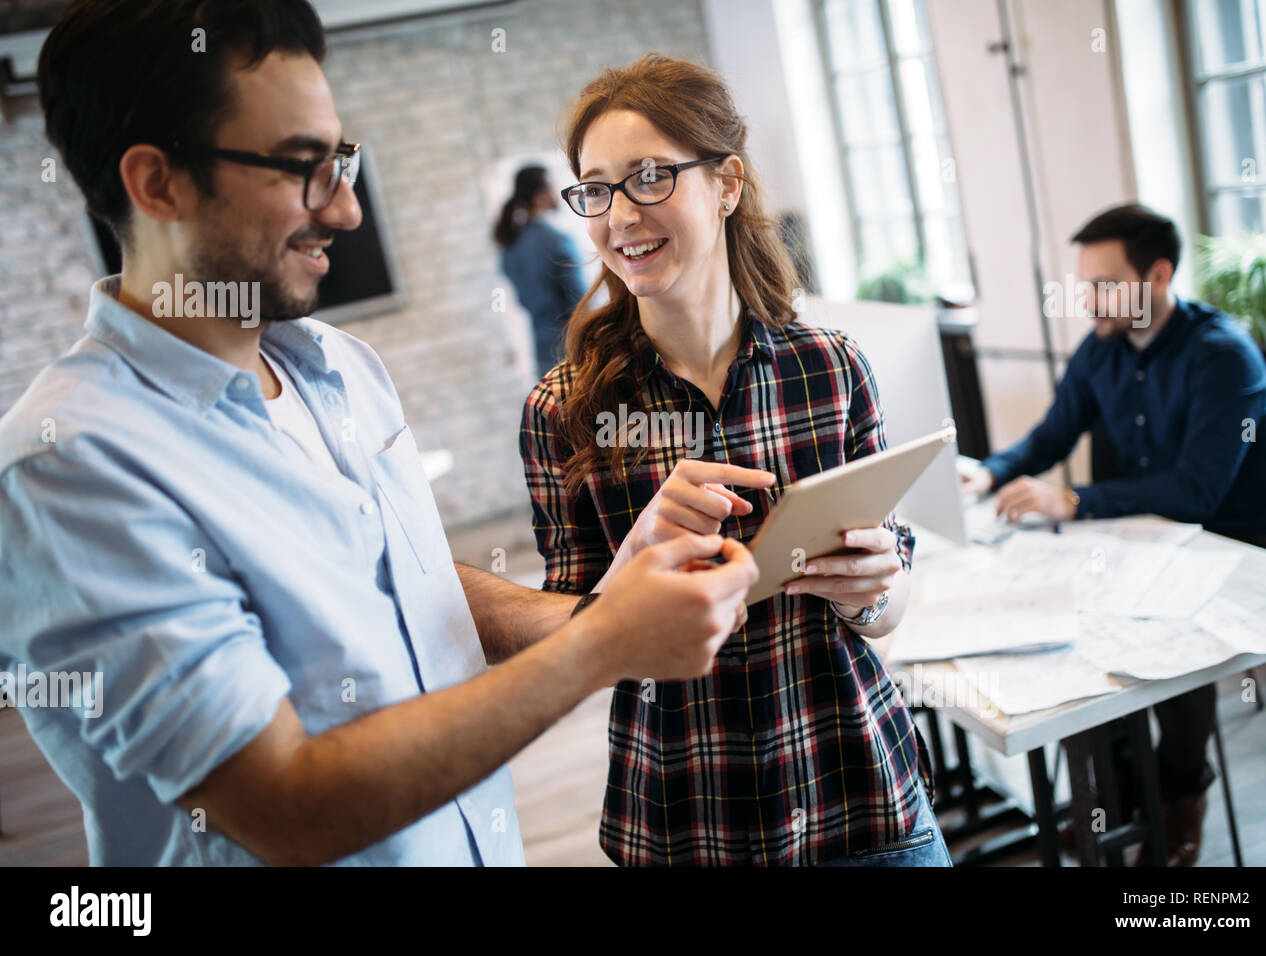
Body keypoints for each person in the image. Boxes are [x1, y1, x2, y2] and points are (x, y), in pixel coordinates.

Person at [0, 0, 757, 867]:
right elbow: (285, 805)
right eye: (301, 167)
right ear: (156, 183)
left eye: (340, 160)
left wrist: (603, 607)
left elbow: (408, 583)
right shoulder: (71, 466)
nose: (347, 210)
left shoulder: (338, 366)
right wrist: (603, 646)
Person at [519, 54, 948, 867]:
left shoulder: (830, 366)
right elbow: (564, 648)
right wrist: (632, 569)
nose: (619, 216)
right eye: (596, 189)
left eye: (649, 177)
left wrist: (869, 593)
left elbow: (891, 604)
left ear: (726, 184)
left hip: (860, 799)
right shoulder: (564, 412)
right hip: (687, 820)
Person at [963, 202, 1266, 865]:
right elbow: (1053, 433)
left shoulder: (1221, 357)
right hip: (1136, 543)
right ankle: (1114, 791)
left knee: (1173, 635)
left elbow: (1195, 491)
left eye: (1104, 284)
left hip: (1225, 547)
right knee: (1065, 625)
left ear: (1160, 275)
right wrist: (990, 474)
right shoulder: (1102, 349)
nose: (1089, 301)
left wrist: (1074, 499)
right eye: (1084, 284)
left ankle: (1179, 798)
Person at [494, 165, 587, 378]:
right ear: (540, 195)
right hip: (574, 350)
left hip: (542, 352)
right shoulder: (557, 240)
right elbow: (581, 303)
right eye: (553, 186)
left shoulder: (510, 246)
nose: (558, 192)